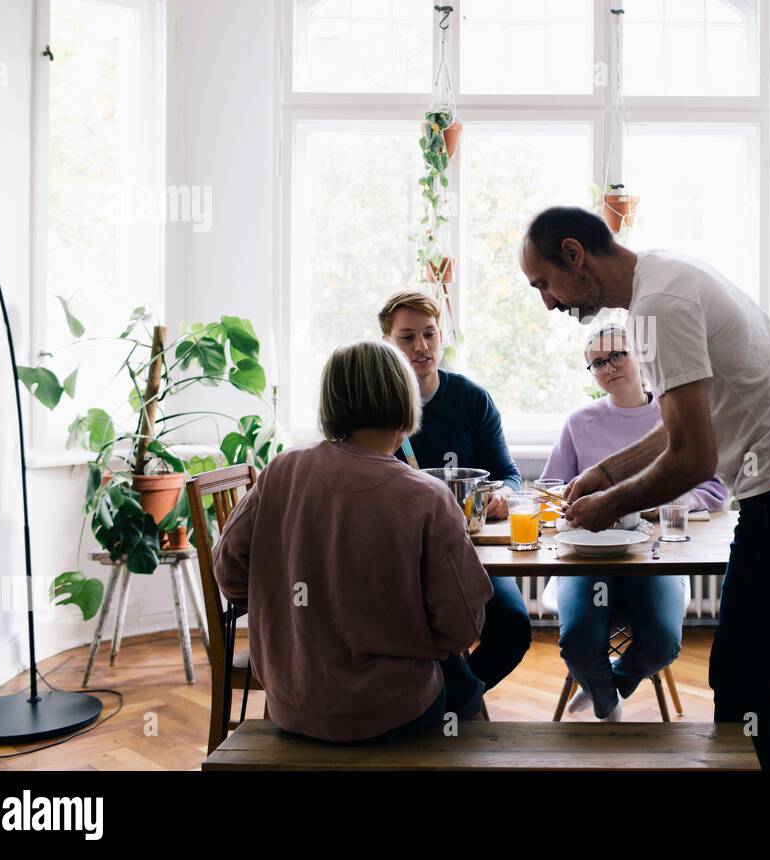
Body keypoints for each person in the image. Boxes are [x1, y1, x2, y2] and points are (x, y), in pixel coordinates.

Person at [519, 206, 770, 771]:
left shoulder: (656, 309)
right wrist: (607, 471)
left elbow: (693, 457)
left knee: (741, 676)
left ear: (572, 253)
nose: (548, 301)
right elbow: (682, 422)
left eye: (544, 283)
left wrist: (606, 505)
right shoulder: (662, 276)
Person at [213, 340, 492, 742]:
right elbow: (461, 626)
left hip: (290, 704)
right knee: (465, 690)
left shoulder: (280, 471)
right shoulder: (427, 496)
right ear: (406, 401)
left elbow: (230, 574)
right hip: (392, 710)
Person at [541, 322, 727, 721]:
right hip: (587, 555)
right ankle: (605, 700)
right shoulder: (579, 422)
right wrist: (567, 503)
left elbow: (714, 493)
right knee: (576, 642)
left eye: (616, 355)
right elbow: (550, 488)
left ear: (639, 353)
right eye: (597, 363)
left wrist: (650, 506)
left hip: (655, 556)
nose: (608, 367)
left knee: (662, 642)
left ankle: (609, 686)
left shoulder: (678, 415)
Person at [378, 290, 531, 691]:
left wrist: (503, 496)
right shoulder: (374, 407)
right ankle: (431, 704)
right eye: (407, 337)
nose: (422, 346)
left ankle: (454, 703)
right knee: (412, 623)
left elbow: (509, 475)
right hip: (398, 554)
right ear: (387, 345)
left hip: (471, 550)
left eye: (429, 333)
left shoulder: (472, 399)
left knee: (513, 624)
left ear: (441, 336)